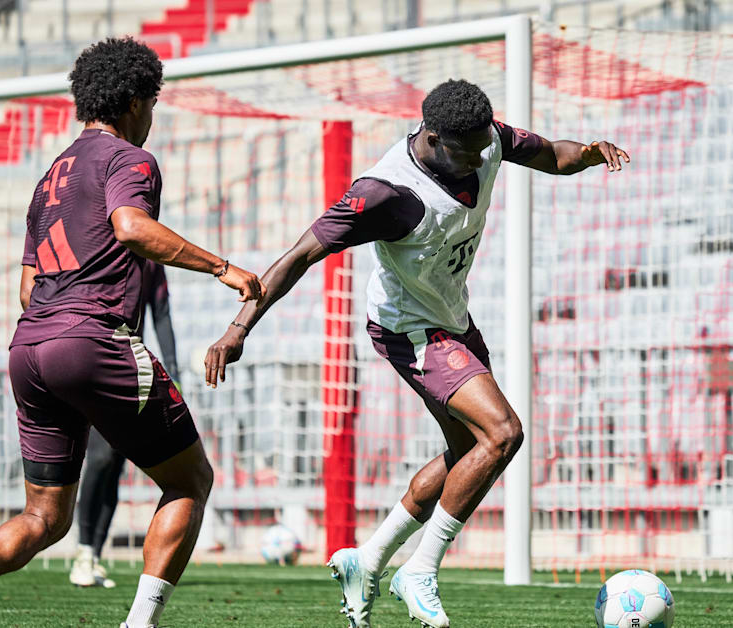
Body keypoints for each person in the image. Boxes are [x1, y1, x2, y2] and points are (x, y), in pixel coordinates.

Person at [204, 79, 629, 628]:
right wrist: (239, 327)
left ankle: (370, 558)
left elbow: (551, 154)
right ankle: (421, 570)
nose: (481, 157)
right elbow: (300, 255)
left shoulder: (483, 137)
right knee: (502, 434)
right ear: (432, 137)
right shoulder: (385, 193)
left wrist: (591, 153)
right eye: (468, 150)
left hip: (454, 318)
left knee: (467, 454)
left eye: (484, 145)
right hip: (410, 331)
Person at [0, 37, 263, 628]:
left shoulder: (49, 178)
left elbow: (25, 287)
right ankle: (139, 623)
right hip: (91, 338)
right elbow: (132, 226)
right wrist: (224, 268)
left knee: (45, 517)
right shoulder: (130, 161)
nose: (152, 118)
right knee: (191, 480)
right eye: (153, 104)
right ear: (136, 100)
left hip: (29, 346)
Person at [70, 259, 180, 589]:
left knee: (116, 462)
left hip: (132, 364)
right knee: (101, 457)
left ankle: (93, 555)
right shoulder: (101, 247)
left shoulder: (152, 259)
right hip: (95, 358)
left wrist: (172, 367)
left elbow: (161, 313)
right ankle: (83, 552)